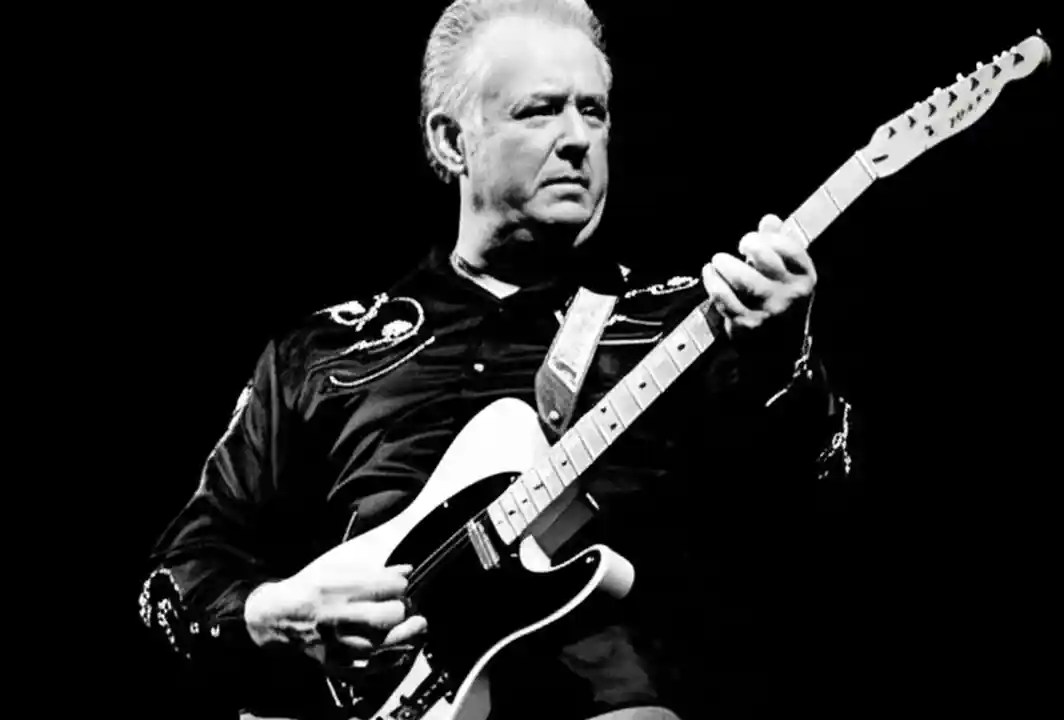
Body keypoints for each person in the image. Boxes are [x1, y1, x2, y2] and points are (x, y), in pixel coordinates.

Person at [137, 1, 857, 718]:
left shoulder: (688, 322)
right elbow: (177, 573)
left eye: (595, 112)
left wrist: (782, 359)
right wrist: (272, 615)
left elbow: (815, 534)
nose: (579, 139)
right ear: (452, 141)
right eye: (541, 111)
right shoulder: (325, 351)